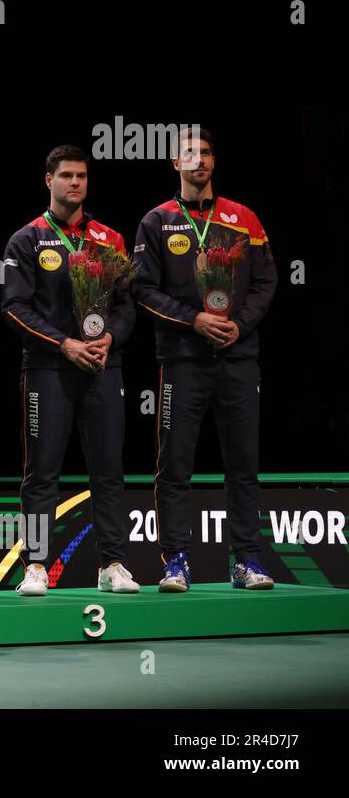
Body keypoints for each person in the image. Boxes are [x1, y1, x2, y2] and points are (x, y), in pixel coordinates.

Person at [132, 128, 277, 592]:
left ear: (215, 162)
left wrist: (241, 324)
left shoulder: (245, 218)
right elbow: (142, 289)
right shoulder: (157, 221)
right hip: (182, 360)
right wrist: (193, 320)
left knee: (243, 463)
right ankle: (176, 562)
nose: (200, 160)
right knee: (174, 464)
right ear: (175, 163)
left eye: (207, 152)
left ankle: (248, 560)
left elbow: (266, 281)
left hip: (238, 357)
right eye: (190, 153)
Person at [1, 145, 139, 597]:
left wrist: (109, 339)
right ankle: (37, 564)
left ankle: (113, 564)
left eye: (81, 175)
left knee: (108, 470)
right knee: (41, 471)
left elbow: (125, 306)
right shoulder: (26, 239)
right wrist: (64, 343)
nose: (75, 182)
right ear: (48, 180)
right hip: (47, 371)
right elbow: (15, 308)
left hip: (103, 367)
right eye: (66, 175)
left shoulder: (110, 239)